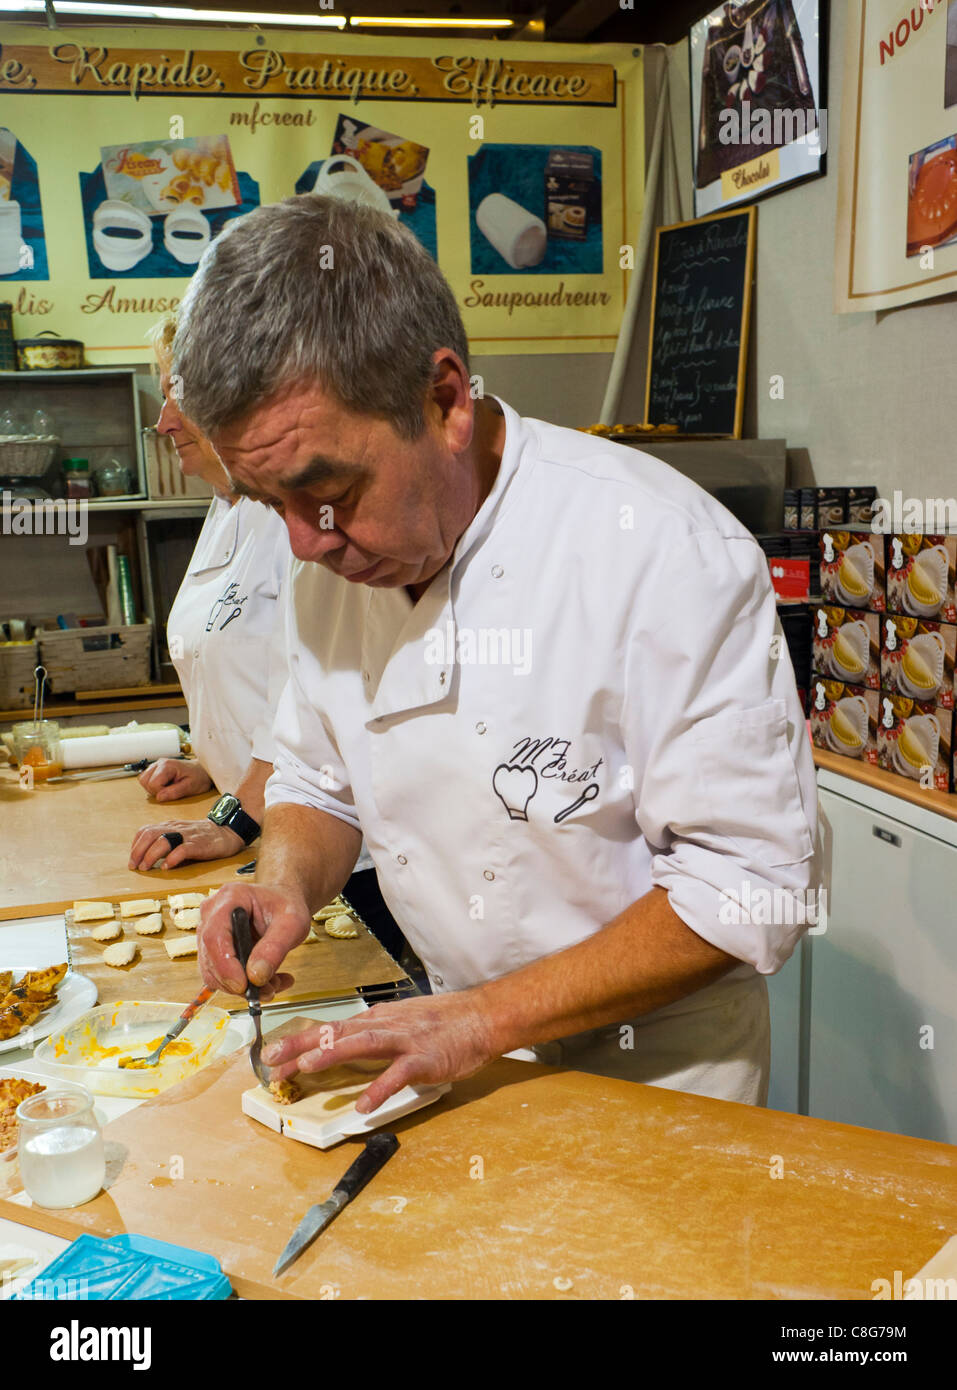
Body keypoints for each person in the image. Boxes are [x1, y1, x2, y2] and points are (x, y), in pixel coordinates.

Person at [175, 195, 818, 1116]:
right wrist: (282, 885)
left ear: (444, 402)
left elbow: (747, 887)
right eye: (266, 502)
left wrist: (478, 1019)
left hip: (661, 1076)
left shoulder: (662, 549)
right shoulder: (329, 563)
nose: (304, 544)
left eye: (328, 492)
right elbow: (317, 784)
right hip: (460, 1055)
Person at [129, 314, 405, 960]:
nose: (164, 420)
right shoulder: (229, 508)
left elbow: (308, 709)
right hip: (260, 831)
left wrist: (231, 820)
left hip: (329, 853)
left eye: (176, 393)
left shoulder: (303, 516)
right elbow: (250, 670)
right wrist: (211, 761)